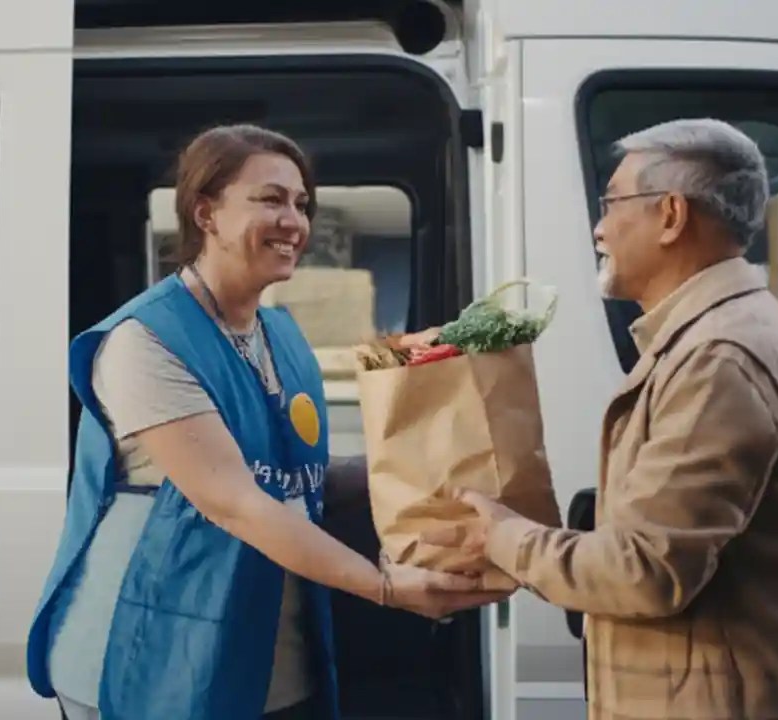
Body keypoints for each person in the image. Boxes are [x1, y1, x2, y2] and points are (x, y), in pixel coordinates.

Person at [26, 124, 505, 720]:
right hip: (153, 658)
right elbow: (235, 500)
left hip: (268, 659)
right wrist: (385, 587)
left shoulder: (280, 334)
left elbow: (295, 475)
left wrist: (427, 471)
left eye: (302, 204)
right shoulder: (145, 342)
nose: (295, 222)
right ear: (206, 213)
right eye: (271, 199)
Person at [427, 118, 778, 719]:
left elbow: (645, 570)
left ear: (672, 216)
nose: (599, 227)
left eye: (610, 203)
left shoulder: (719, 358)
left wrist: (503, 536)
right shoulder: (722, 333)